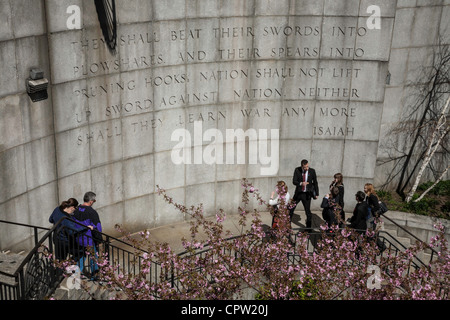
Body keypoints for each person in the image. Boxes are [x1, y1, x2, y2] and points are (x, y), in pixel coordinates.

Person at [74, 191, 103, 279]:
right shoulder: (92, 212)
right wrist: (99, 240)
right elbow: (97, 227)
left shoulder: (76, 210)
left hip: (78, 238)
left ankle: (77, 274)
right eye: (94, 201)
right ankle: (94, 275)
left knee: (81, 255)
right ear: (91, 201)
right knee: (93, 257)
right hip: (88, 239)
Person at [292, 159, 319, 230]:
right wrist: (301, 183)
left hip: (307, 194)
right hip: (298, 193)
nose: (307, 168)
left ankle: (308, 228)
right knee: (291, 208)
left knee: (308, 211)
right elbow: (294, 181)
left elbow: (315, 182)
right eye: (305, 167)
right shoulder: (297, 170)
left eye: (307, 166)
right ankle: (287, 225)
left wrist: (316, 193)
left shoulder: (312, 171)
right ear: (302, 166)